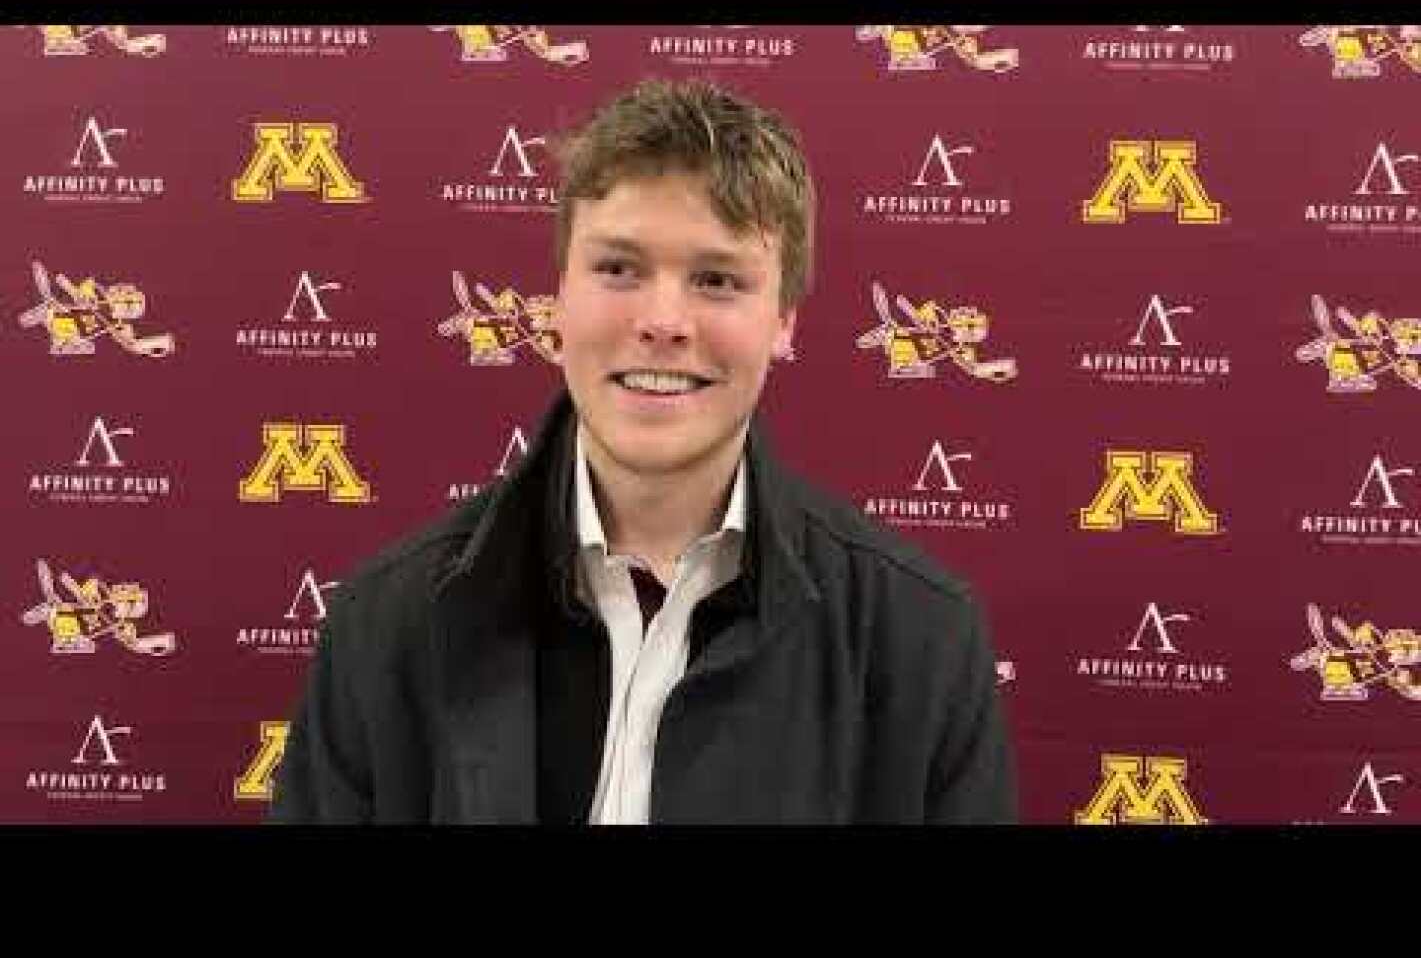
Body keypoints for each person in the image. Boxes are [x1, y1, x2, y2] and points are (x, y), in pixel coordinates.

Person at [270, 78, 1017, 823]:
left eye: (716, 279)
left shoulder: (921, 642)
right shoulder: (385, 623)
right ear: (557, 296)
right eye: (619, 268)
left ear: (783, 319)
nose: (663, 320)